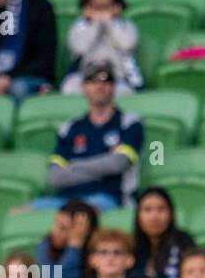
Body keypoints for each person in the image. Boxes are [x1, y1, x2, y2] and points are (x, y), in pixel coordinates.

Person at [45, 62, 142, 212]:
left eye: (106, 80)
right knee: (20, 212)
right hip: (66, 200)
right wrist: (103, 167)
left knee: (85, 214)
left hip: (108, 198)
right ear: (83, 88)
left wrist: (72, 166)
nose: (99, 86)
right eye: (92, 80)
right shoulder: (68, 128)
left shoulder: (130, 123)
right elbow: (55, 177)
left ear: (114, 86)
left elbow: (118, 164)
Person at [60, 0, 142, 94]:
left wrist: (109, 22)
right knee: (69, 87)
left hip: (117, 76)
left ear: (117, 6)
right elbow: (79, 48)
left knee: (123, 92)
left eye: (107, 6)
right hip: (86, 75)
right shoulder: (79, 26)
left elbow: (127, 44)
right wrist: (95, 25)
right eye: (96, 7)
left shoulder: (125, 25)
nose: (101, 12)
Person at [133, 186, 194, 278]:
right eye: (147, 210)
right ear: (138, 215)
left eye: (161, 209)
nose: (154, 216)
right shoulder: (132, 246)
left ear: (171, 213)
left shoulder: (184, 242)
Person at [35, 198, 97, 278]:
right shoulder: (46, 245)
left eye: (63, 228)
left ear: (83, 232)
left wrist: (75, 246)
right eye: (55, 223)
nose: (54, 231)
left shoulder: (98, 253)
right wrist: (74, 248)